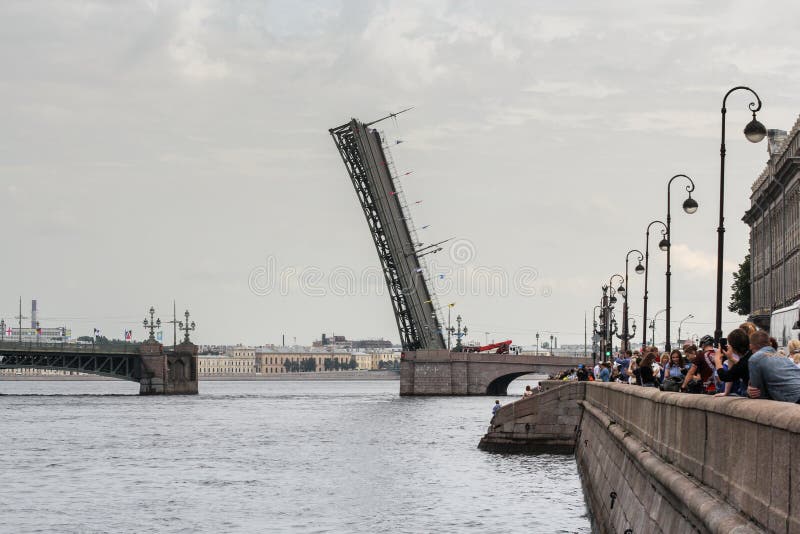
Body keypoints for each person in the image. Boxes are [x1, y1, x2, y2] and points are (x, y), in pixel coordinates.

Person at [747, 330, 800, 403]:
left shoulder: (754, 359)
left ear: (750, 346)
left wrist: (748, 392)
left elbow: (758, 394)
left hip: (794, 398)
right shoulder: (782, 356)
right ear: (770, 344)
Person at [714, 328, 750, 397]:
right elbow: (739, 367)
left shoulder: (743, 363)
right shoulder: (748, 356)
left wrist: (717, 360)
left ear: (733, 346)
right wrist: (730, 358)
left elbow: (725, 377)